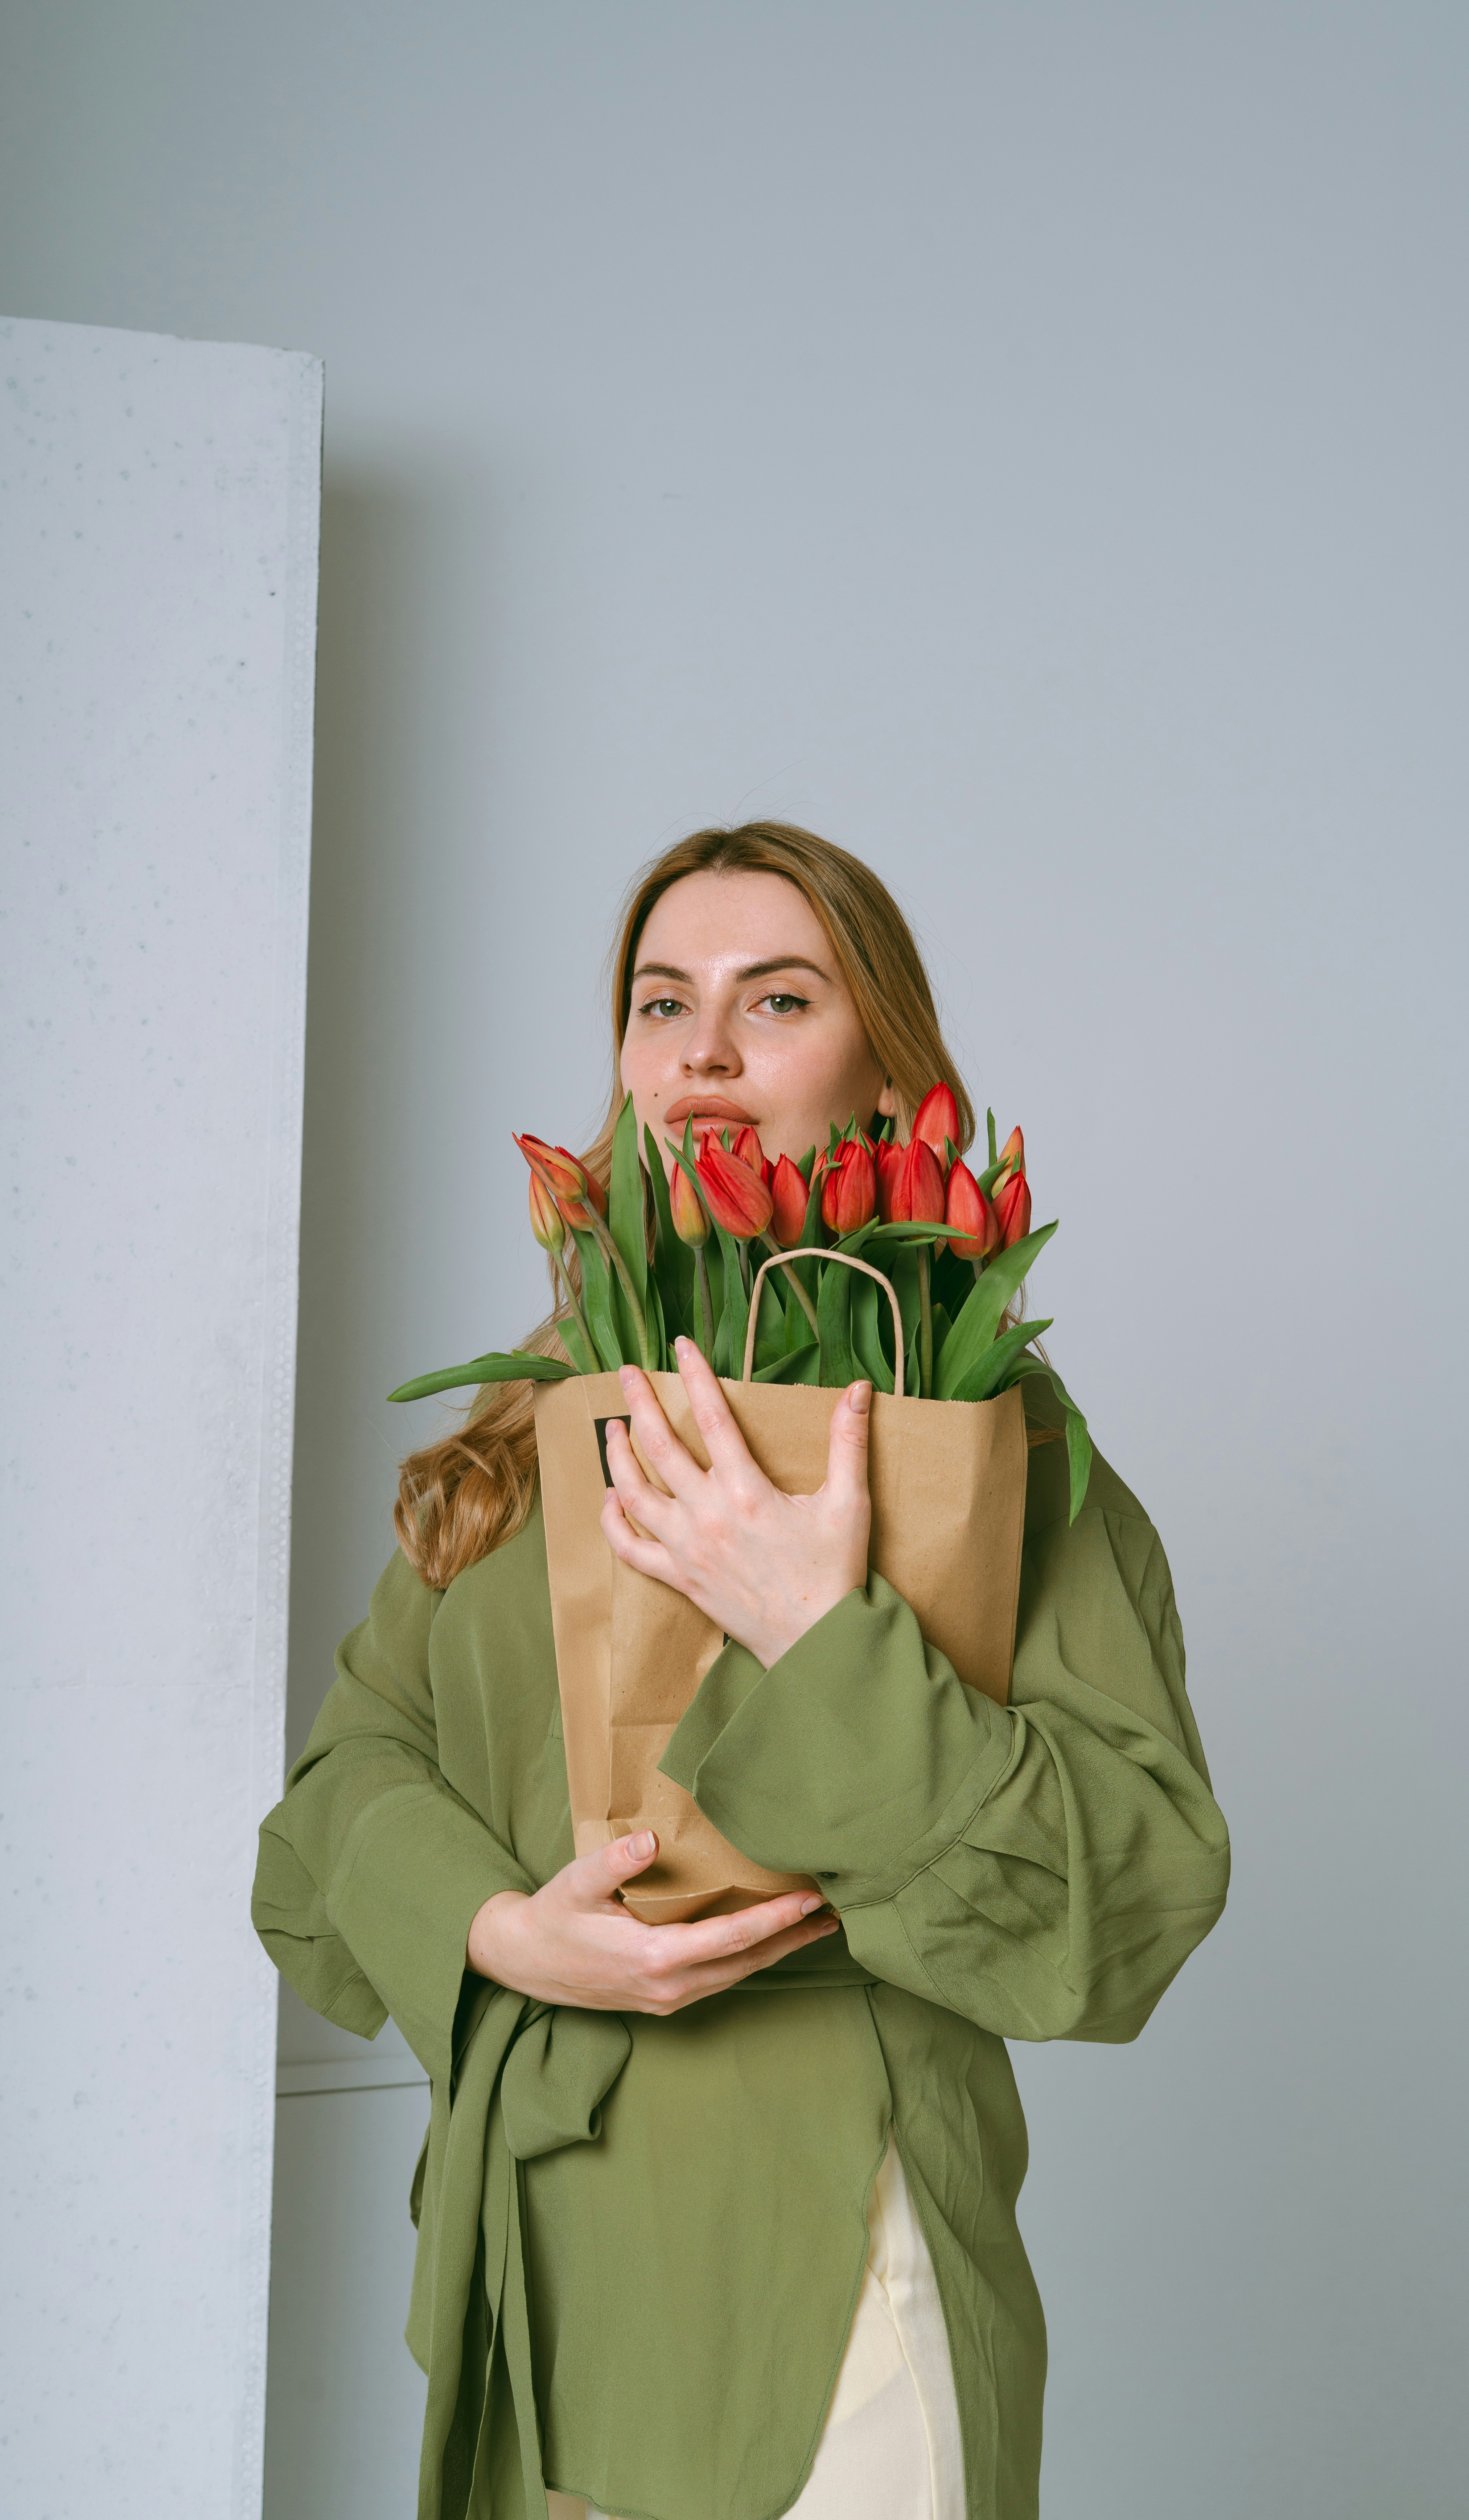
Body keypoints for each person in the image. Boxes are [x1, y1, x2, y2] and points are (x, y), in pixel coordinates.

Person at [252, 821, 1229, 2520]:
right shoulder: (530, 1427)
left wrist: (813, 1630)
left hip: (826, 2245)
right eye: (660, 1002)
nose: (701, 1047)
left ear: (886, 1071)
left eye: (776, 998)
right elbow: (341, 1796)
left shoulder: (983, 1443)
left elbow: (1131, 1893)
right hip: (538, 2259)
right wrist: (500, 1935)